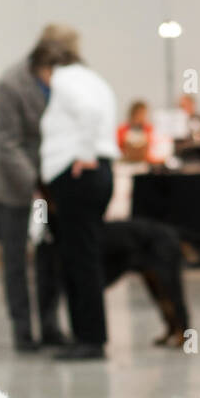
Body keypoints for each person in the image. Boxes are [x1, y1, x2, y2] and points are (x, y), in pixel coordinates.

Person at [34, 29, 119, 361]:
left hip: (79, 176)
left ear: (47, 65)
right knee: (83, 256)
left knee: (79, 258)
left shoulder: (66, 81)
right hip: (96, 174)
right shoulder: (91, 78)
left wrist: (84, 153)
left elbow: (90, 114)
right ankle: (87, 335)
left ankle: (90, 340)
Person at [0, 29, 69, 352]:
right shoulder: (10, 84)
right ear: (42, 62)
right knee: (16, 264)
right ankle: (23, 332)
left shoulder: (65, 80)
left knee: (50, 258)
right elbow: (8, 144)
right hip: (15, 190)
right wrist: (35, 184)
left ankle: (50, 325)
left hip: (51, 186)